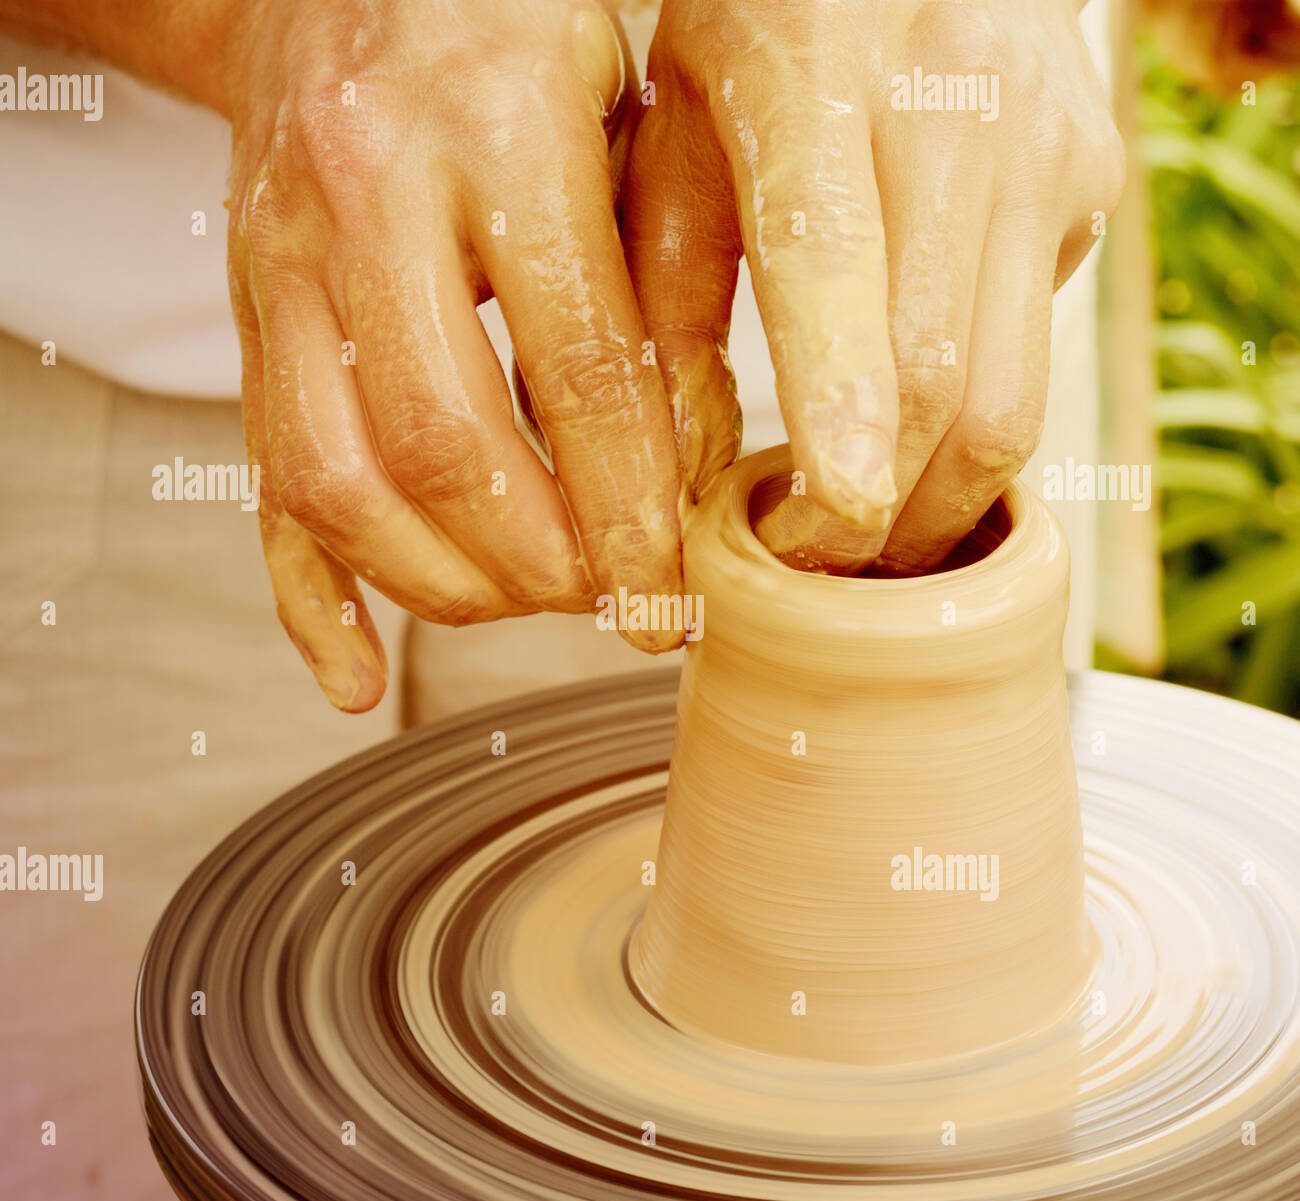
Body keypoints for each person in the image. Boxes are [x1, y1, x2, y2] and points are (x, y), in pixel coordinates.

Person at [0, 0, 1125, 712]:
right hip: (137, 356)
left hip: (907, 267)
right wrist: (239, 23)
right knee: (197, 1031)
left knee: (911, 1012)